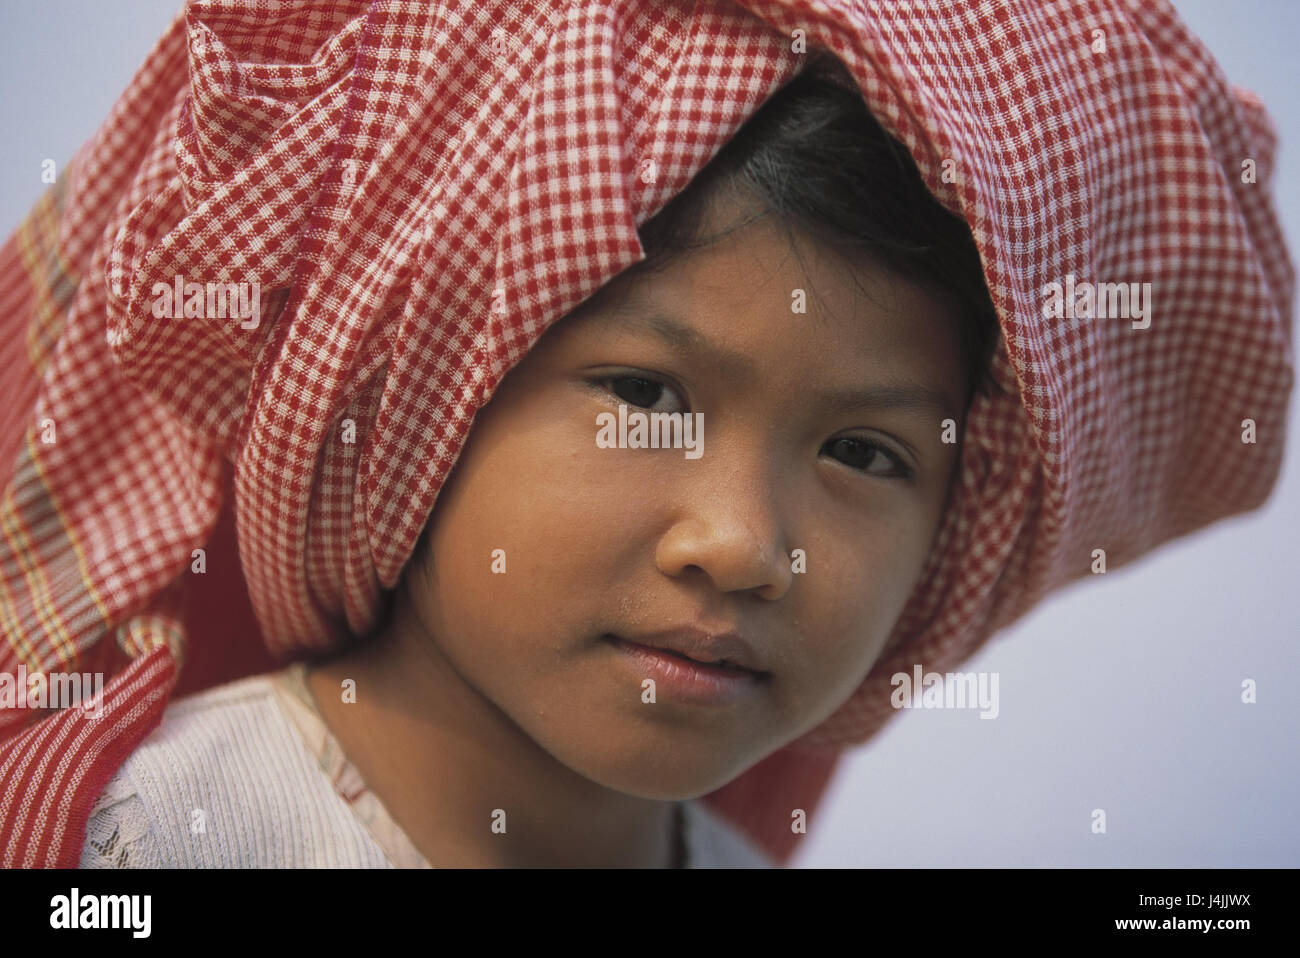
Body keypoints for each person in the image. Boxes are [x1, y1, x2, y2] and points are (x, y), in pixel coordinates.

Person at [1, 0, 1291, 869]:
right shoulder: (120, 846)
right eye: (647, 395)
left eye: (865, 453)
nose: (740, 546)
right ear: (409, 402)